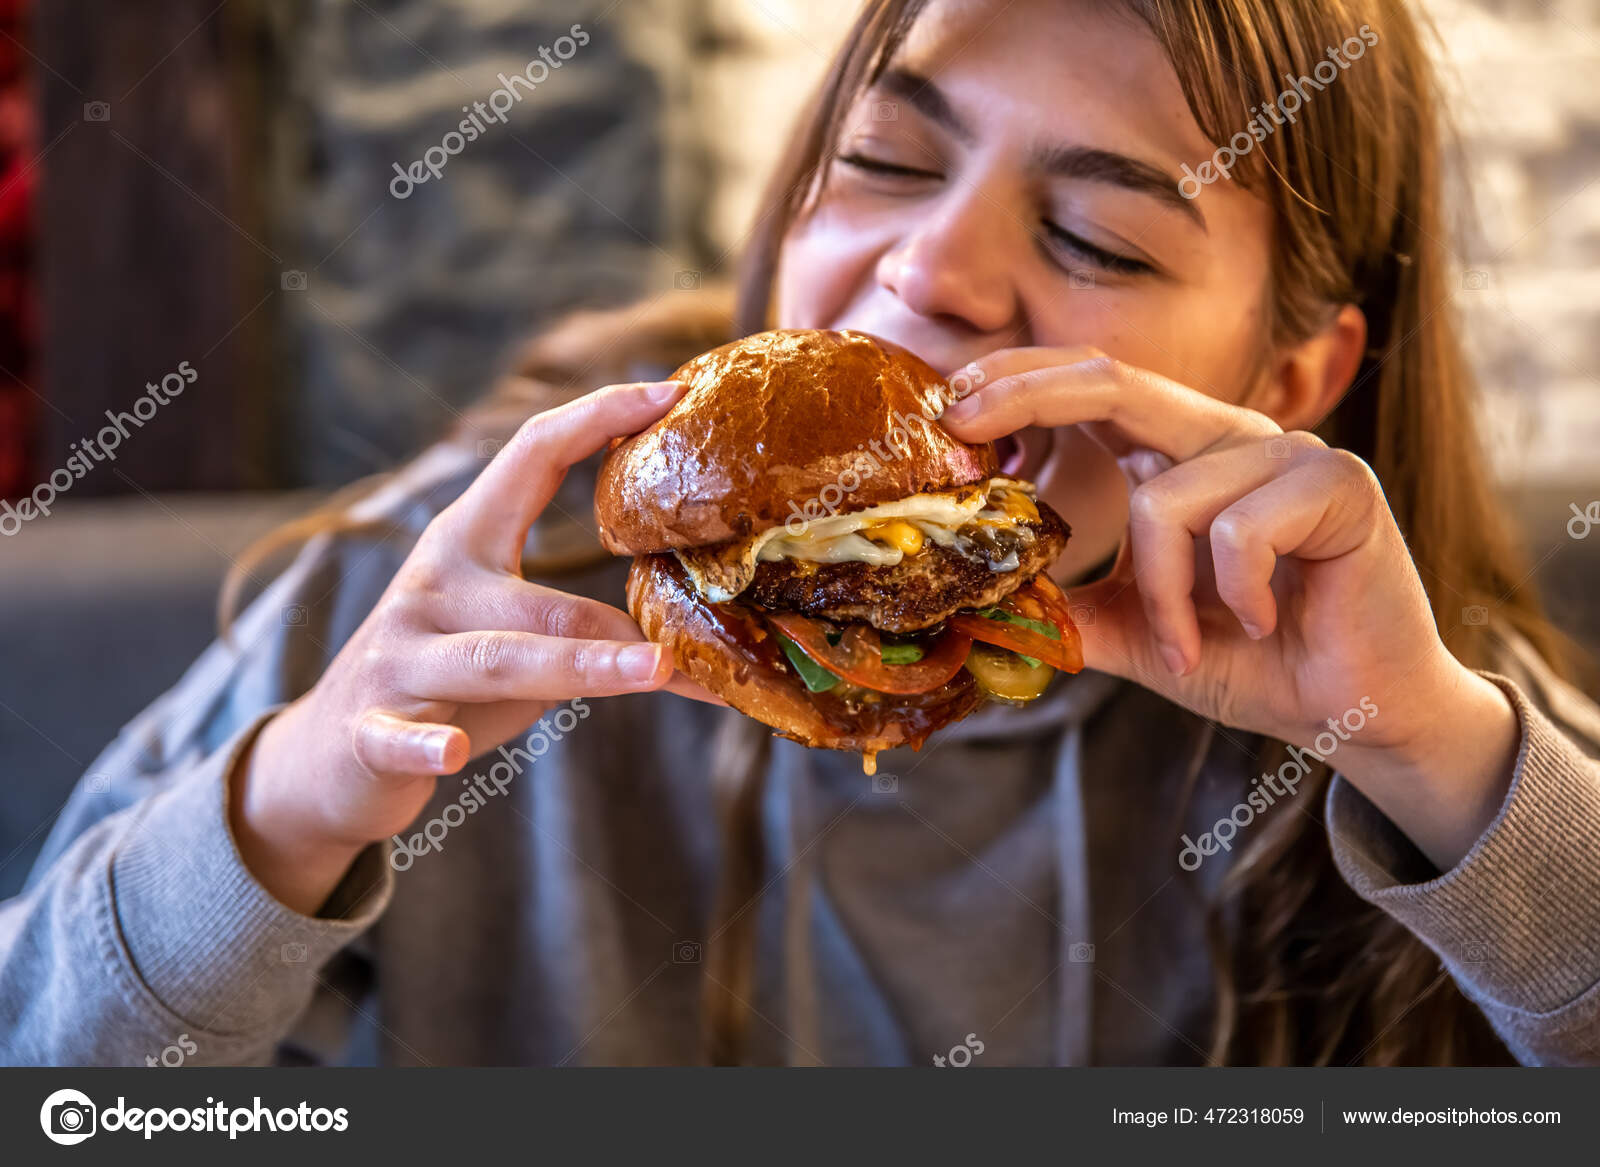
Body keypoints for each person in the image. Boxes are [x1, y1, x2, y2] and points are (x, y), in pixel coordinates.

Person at [5, 0, 1599, 1066]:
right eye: (887, 163)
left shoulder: (1420, 705)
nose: (927, 270)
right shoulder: (439, 607)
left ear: (1295, 376)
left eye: (1096, 234)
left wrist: (1427, 756)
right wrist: (294, 809)